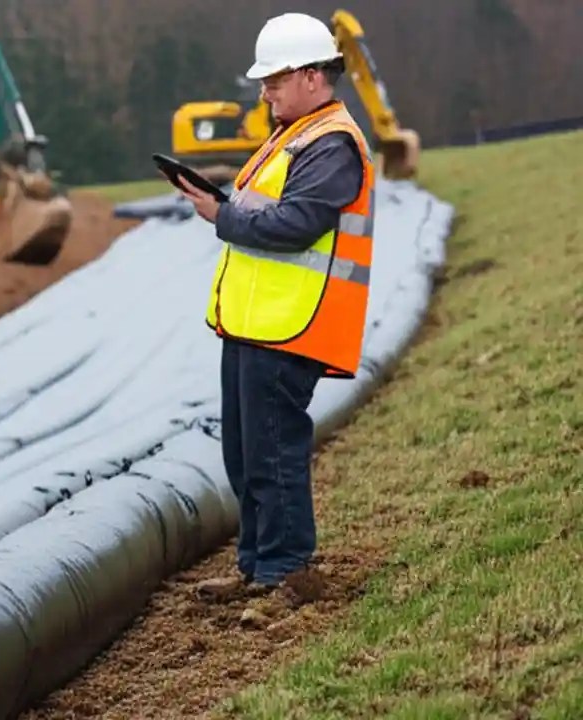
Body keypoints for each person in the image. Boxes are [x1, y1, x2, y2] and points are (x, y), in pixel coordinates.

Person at [175, 12, 376, 596]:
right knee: (244, 452)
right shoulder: (291, 135)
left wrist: (224, 214)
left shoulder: (330, 141)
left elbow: (296, 223)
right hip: (257, 323)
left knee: (274, 451)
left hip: (294, 323)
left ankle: (284, 570)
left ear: (314, 77)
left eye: (275, 79)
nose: (265, 90)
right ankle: (256, 566)